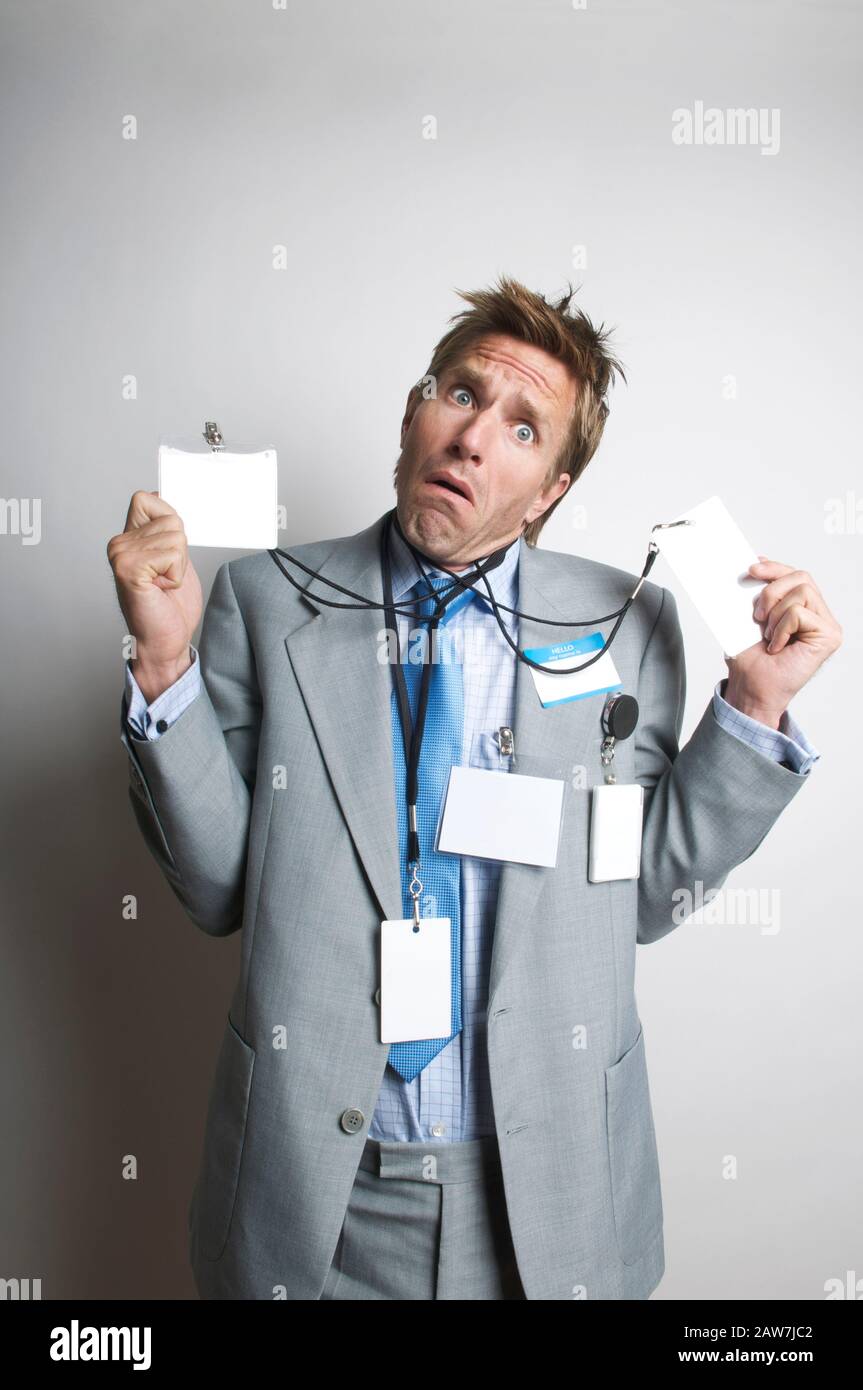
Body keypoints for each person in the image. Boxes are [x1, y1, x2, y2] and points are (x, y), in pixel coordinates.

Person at [106, 274, 842, 1300]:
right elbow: (219, 887)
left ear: (548, 492)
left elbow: (640, 896)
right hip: (314, 1199)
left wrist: (752, 709)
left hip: (543, 1193)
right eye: (458, 394)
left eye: (523, 427)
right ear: (412, 414)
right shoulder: (265, 602)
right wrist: (164, 666)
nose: (472, 435)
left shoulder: (627, 626)